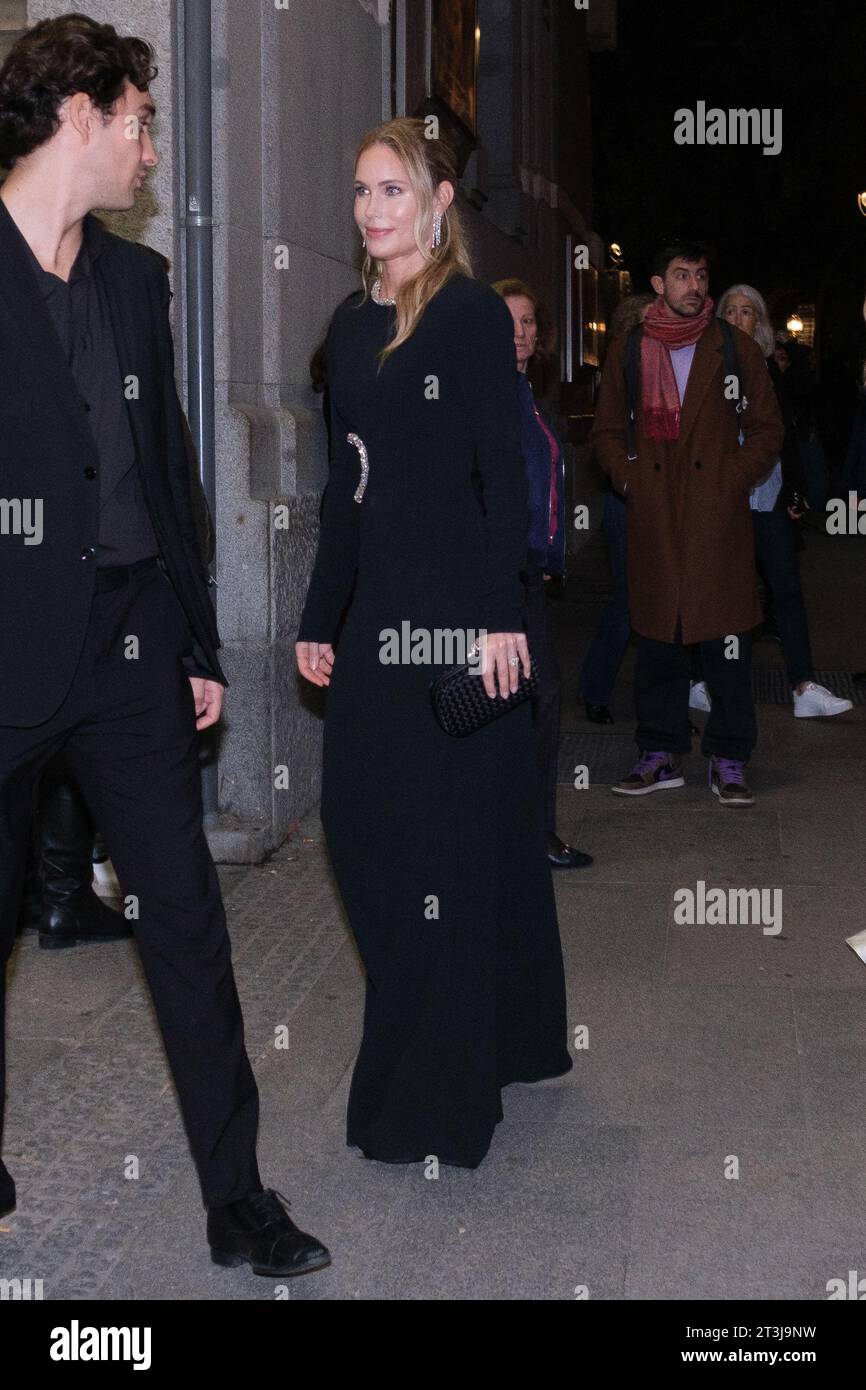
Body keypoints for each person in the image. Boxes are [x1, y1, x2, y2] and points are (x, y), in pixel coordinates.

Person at [0, 14, 329, 1276]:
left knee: (184, 915)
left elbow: (166, 472)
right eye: (139, 119)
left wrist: (194, 639)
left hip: (131, 645)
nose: (150, 149)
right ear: (79, 116)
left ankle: (235, 1197)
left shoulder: (137, 284)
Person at [295, 117, 572, 1168]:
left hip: (458, 614)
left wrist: (503, 617)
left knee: (450, 852)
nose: (372, 211)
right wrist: (320, 618)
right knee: (363, 836)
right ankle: (497, 1031)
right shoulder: (347, 323)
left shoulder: (461, 318)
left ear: (438, 202)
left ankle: (439, 1092)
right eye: (362, 191)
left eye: (393, 192)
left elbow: (500, 475)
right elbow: (344, 490)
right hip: (375, 626)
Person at [591, 239, 784, 806]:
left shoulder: (734, 349)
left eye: (701, 275)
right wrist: (629, 480)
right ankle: (660, 751)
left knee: (726, 642)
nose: (694, 286)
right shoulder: (631, 348)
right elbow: (605, 432)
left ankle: (729, 757)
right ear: (658, 284)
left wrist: (732, 479)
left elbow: (769, 428)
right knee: (657, 642)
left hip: (714, 519)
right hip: (652, 515)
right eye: (681, 275)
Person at [688, 285, 851, 720]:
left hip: (769, 494)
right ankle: (701, 680)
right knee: (719, 592)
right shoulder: (705, 364)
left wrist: (796, 491)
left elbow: (786, 438)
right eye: (732, 311)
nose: (741, 319)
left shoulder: (768, 370)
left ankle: (804, 686)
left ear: (759, 323)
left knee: (787, 587)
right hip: (722, 497)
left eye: (749, 313)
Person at [494, 277, 592, 869]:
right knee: (534, 700)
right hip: (504, 571)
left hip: (528, 567)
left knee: (531, 700)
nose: (521, 333)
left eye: (528, 322)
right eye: (508, 321)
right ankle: (528, 836)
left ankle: (523, 834)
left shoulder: (525, 391)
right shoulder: (487, 391)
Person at [577, 293, 655, 723]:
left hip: (665, 500)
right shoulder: (619, 375)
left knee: (662, 600)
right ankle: (594, 688)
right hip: (626, 500)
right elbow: (606, 438)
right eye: (643, 323)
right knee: (629, 599)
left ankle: (663, 703)